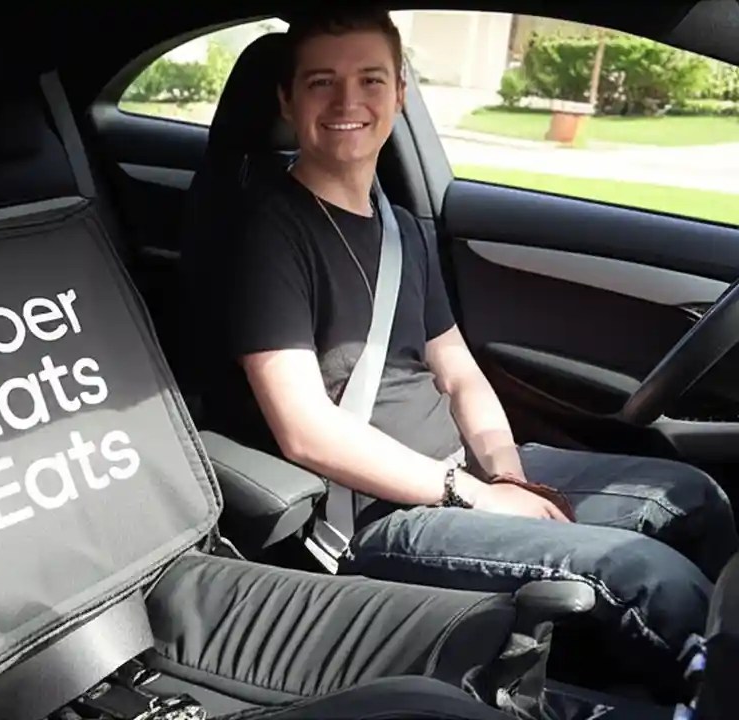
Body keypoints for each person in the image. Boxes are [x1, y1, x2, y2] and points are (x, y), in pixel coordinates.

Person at [211, 6, 739, 697]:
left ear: (400, 94)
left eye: (371, 80)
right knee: (650, 579)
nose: (348, 102)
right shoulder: (268, 232)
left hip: (459, 476)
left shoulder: (398, 225)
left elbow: (458, 372)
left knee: (691, 497)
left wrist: (507, 476)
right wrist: (473, 497)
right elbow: (305, 429)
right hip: (372, 512)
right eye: (320, 83)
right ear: (286, 100)